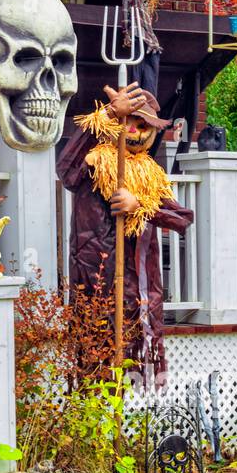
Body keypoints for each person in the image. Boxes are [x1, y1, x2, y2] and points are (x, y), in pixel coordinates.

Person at [57, 83, 194, 390]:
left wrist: (141, 206)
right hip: (96, 277)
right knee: (94, 356)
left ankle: (117, 422)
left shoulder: (151, 173)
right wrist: (108, 113)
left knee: (131, 358)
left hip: (139, 286)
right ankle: (95, 422)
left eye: (142, 124)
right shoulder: (93, 161)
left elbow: (182, 218)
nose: (133, 130)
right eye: (128, 121)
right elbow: (65, 170)